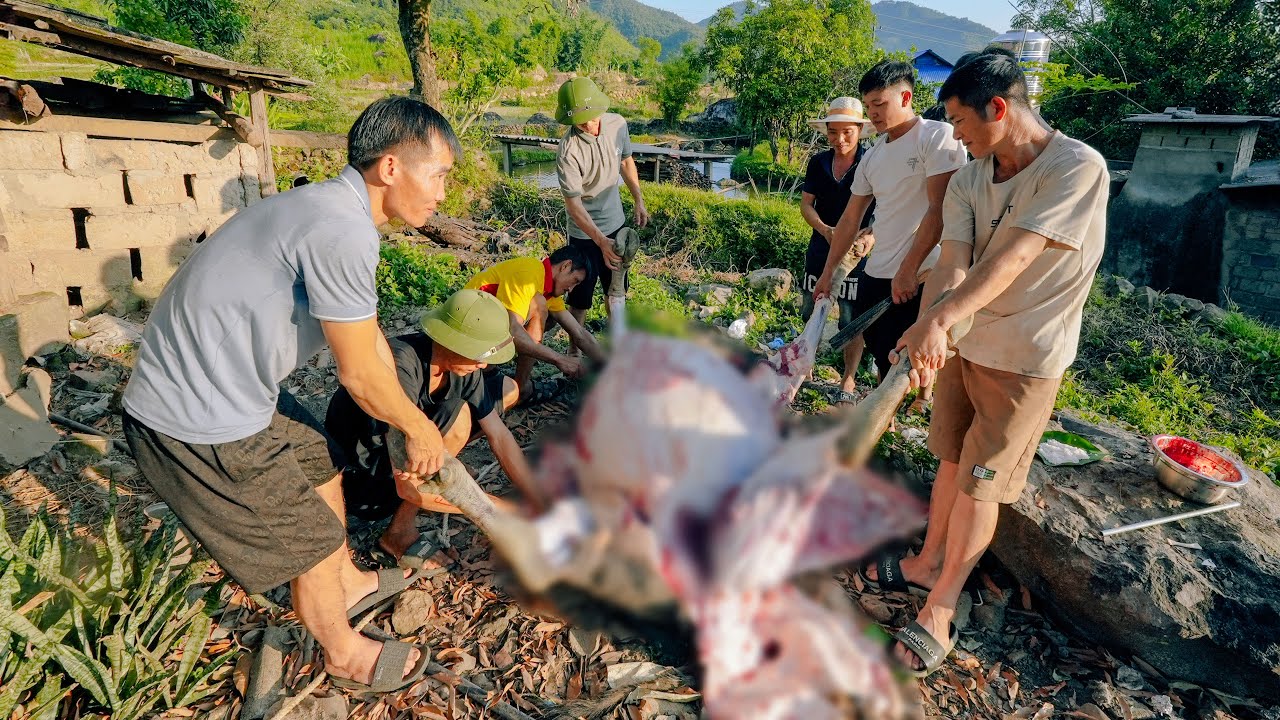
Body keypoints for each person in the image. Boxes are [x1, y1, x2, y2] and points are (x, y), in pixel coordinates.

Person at [122, 96, 462, 693]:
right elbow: (357, 375)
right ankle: (341, 651)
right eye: (437, 175)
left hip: (231, 388)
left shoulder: (331, 211)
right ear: (390, 168)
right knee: (306, 537)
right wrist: (420, 427)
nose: (441, 194)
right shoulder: (342, 230)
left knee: (317, 454)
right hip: (196, 414)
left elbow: (371, 337)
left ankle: (347, 580)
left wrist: (402, 421)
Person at [870, 52, 1109, 677]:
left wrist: (941, 322)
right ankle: (925, 564)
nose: (954, 135)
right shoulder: (973, 177)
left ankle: (941, 606)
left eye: (958, 120)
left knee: (982, 480)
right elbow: (954, 261)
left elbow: (1014, 260)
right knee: (949, 453)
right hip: (963, 346)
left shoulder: (1076, 168)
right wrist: (929, 328)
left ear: (998, 108)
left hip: (1025, 357)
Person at [326, 289, 541, 566]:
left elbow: (498, 434)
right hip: (363, 482)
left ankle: (428, 498)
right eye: (476, 353)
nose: (483, 363)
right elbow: (408, 487)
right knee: (458, 417)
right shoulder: (400, 365)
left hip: (405, 464)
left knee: (473, 406)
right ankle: (399, 533)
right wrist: (501, 510)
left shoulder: (465, 370)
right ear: (449, 340)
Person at [815, 60, 967, 405]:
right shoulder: (872, 157)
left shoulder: (936, 137)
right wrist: (828, 274)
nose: (874, 114)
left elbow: (939, 207)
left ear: (905, 97)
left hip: (925, 271)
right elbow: (850, 219)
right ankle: (891, 421)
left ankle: (919, 404)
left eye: (879, 104)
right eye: (868, 106)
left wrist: (909, 269)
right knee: (884, 350)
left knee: (916, 355)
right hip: (878, 271)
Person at [555, 77, 650, 327]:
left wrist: (638, 199)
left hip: (615, 223)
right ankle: (574, 352)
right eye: (580, 120)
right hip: (583, 234)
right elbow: (574, 206)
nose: (588, 124)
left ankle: (617, 343)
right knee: (580, 298)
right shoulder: (568, 151)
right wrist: (600, 241)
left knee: (616, 289)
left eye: (592, 116)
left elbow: (626, 162)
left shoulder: (617, 124)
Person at [800, 97, 875, 398]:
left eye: (847, 132)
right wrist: (825, 230)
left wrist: (868, 236)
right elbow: (806, 204)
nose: (840, 139)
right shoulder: (818, 163)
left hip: (855, 256)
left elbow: (881, 210)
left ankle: (848, 378)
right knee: (810, 308)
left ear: (859, 130)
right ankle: (806, 362)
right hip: (820, 247)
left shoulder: (871, 163)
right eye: (833, 132)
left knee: (850, 319)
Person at [464, 246, 606, 405]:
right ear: (565, 266)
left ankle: (515, 386)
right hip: (465, 335)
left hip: (481, 332)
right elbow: (514, 332)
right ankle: (507, 384)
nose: (571, 290)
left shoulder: (547, 288)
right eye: (575, 281)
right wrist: (559, 359)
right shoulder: (529, 274)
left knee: (544, 309)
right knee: (539, 305)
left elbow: (579, 333)